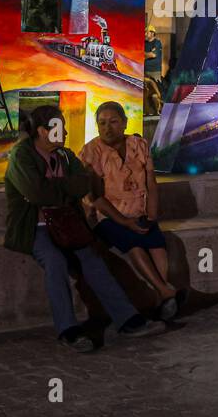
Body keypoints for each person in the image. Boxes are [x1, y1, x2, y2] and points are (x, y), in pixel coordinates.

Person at [4, 104, 161, 350]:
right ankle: (69, 329)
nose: (65, 133)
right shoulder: (21, 155)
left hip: (68, 224)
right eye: (60, 128)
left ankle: (128, 319)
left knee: (92, 259)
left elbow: (83, 185)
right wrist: (65, 188)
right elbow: (35, 193)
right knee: (54, 261)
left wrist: (57, 189)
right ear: (44, 131)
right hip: (35, 227)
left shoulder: (65, 156)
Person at [80, 101, 186, 319]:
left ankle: (162, 299)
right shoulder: (91, 152)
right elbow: (96, 198)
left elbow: (151, 182)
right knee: (133, 242)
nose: (107, 128)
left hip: (139, 210)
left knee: (157, 243)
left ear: (125, 123)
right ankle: (166, 291)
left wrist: (151, 216)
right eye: (102, 123)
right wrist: (124, 221)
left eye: (113, 122)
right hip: (107, 215)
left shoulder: (139, 145)